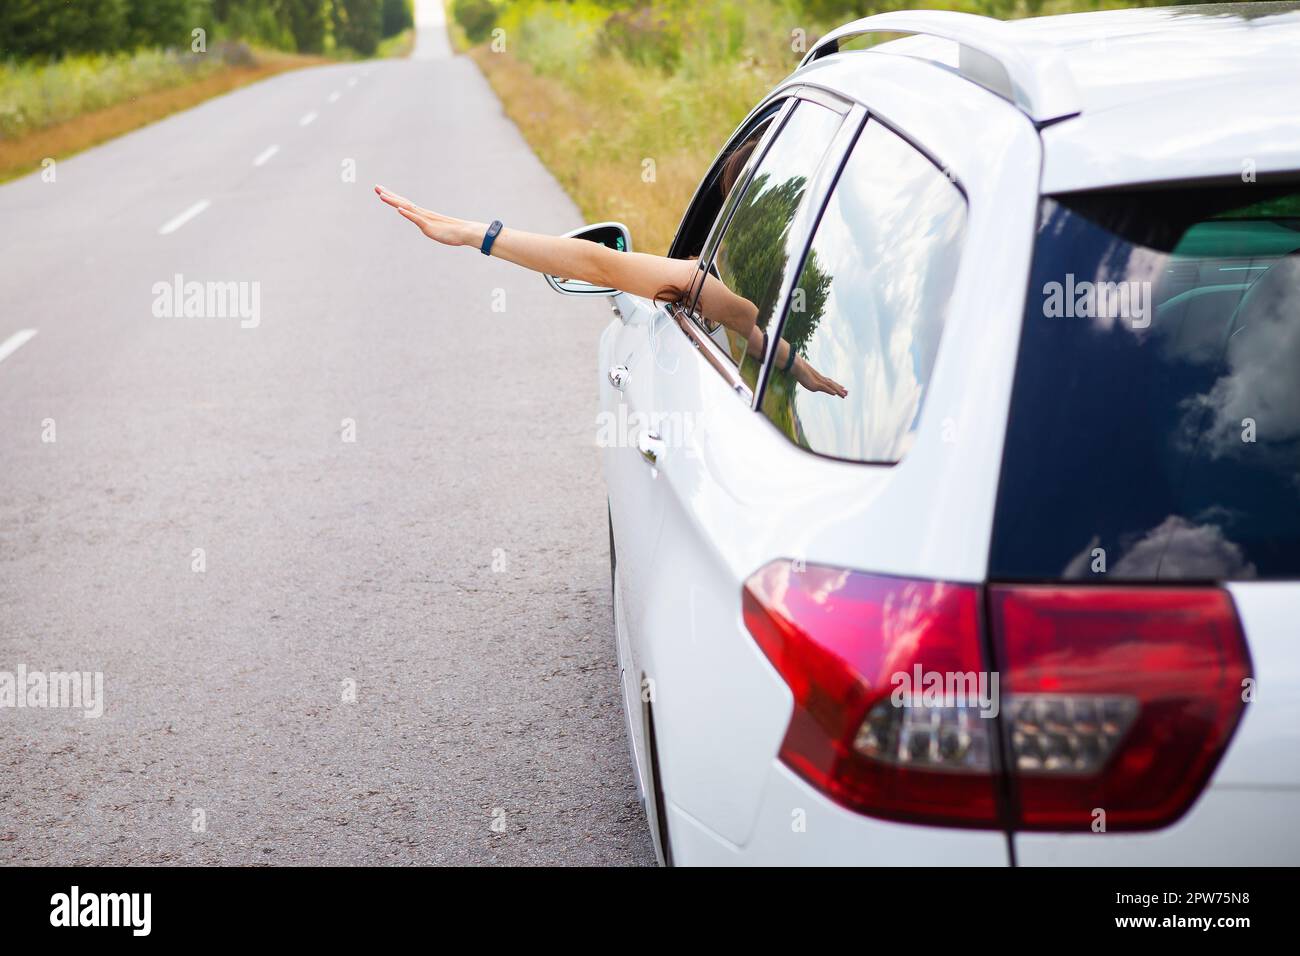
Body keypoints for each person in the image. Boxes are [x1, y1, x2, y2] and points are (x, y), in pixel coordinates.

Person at [373, 140, 847, 397]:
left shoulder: (716, 292)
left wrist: (475, 234)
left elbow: (598, 264)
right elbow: (759, 337)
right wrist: (805, 369)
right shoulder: (750, 300)